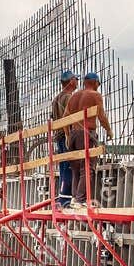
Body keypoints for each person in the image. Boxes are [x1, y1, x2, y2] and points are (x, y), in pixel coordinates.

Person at [65, 72, 112, 206]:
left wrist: (69, 135)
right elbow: (101, 115)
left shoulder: (74, 96)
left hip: (74, 133)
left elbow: (65, 116)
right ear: (96, 82)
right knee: (87, 168)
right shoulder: (95, 95)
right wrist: (108, 130)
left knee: (75, 167)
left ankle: (75, 198)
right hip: (86, 134)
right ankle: (80, 200)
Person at [49, 70, 78, 206]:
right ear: (71, 81)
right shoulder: (69, 97)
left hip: (59, 136)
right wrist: (69, 135)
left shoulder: (56, 98)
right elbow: (69, 118)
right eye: (76, 79)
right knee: (69, 167)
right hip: (67, 136)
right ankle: (65, 199)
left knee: (63, 167)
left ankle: (62, 197)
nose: (78, 82)